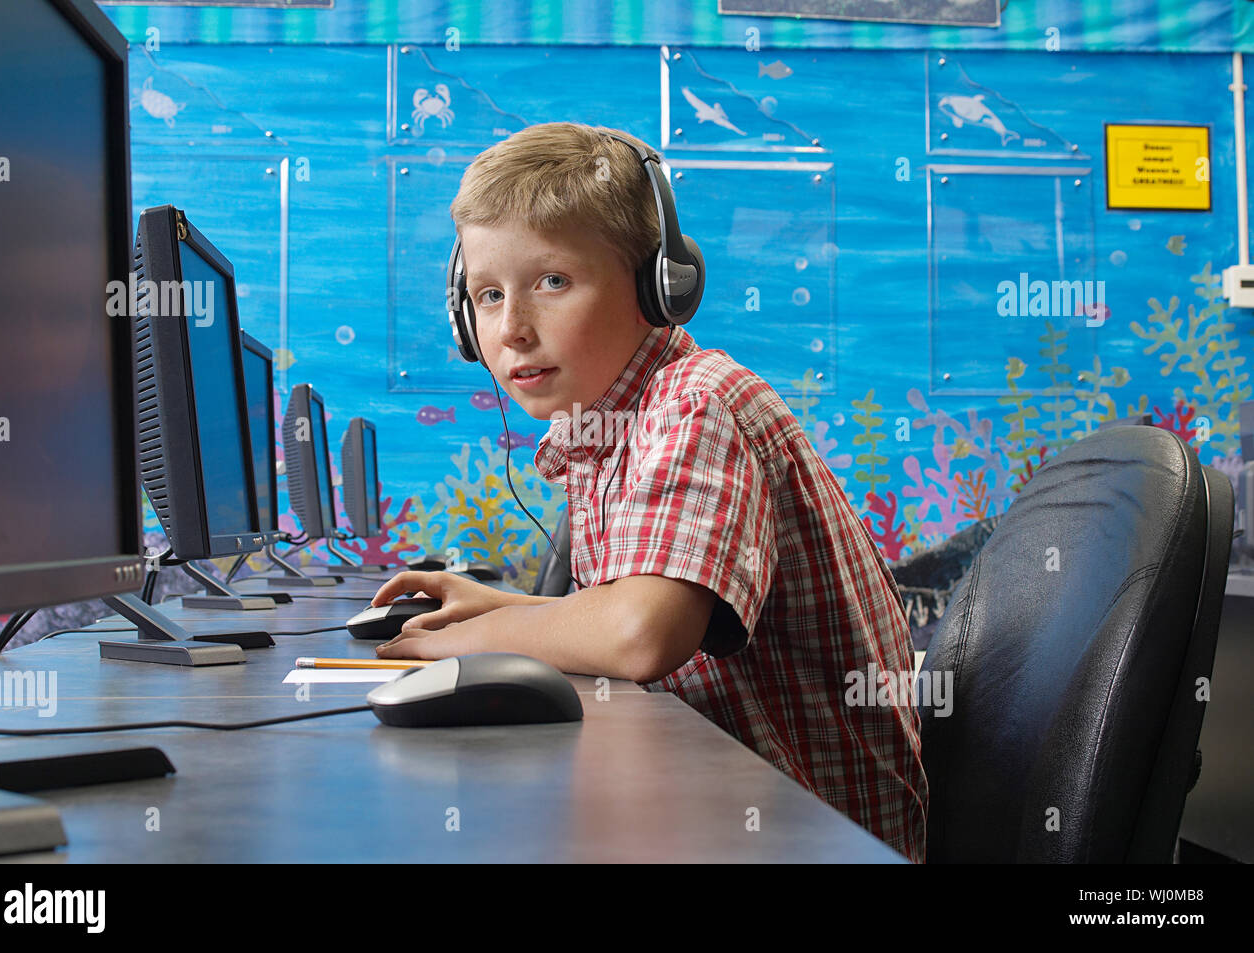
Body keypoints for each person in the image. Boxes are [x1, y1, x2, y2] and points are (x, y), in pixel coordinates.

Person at [372, 122, 928, 862]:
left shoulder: (696, 404)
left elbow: (642, 633)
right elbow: (643, 608)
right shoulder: (611, 427)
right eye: (487, 294)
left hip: (811, 832)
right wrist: (504, 608)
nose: (512, 329)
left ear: (659, 287)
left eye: (553, 282)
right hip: (720, 807)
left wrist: (462, 645)